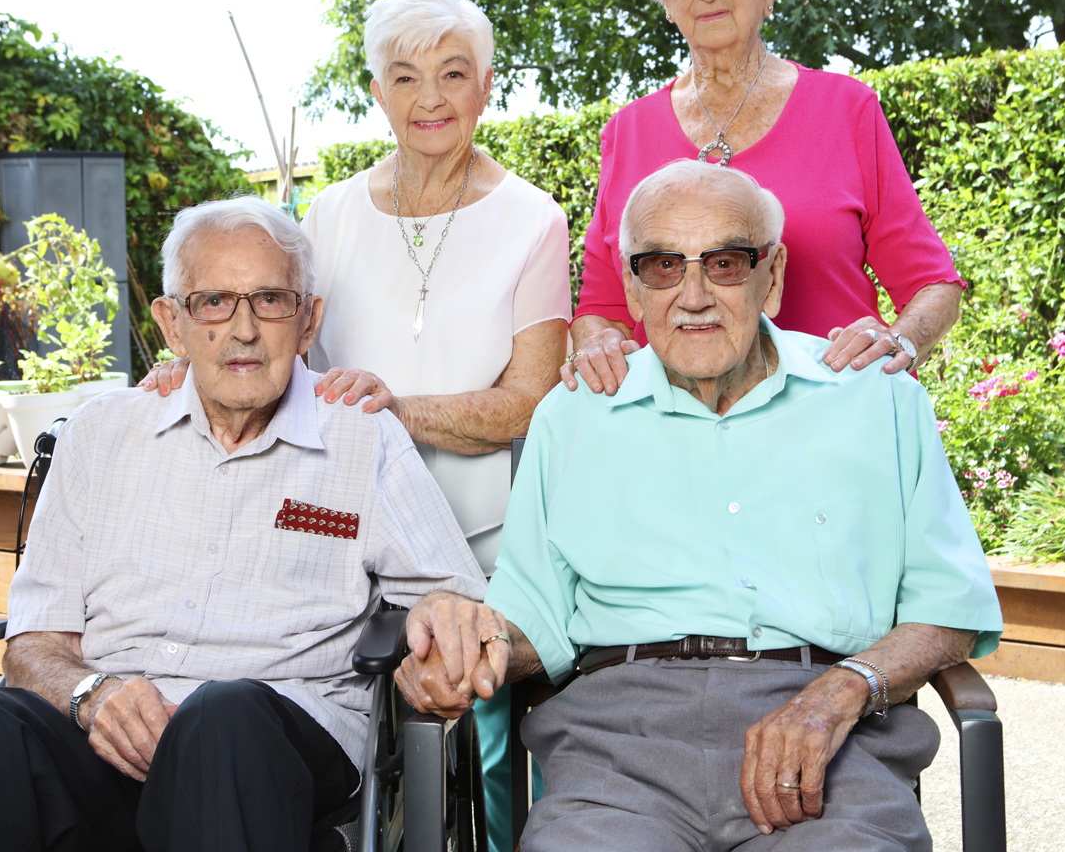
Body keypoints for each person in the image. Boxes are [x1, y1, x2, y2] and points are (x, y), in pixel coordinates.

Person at [395, 160, 1003, 851]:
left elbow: (949, 609)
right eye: (662, 267)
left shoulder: (877, 397)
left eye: (724, 263)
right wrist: (470, 645)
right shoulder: (575, 413)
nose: (693, 297)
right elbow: (533, 613)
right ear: (631, 287)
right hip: (617, 754)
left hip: (826, 741)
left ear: (772, 275)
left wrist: (844, 690)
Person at [0, 196, 487, 852]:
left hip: (268, 741)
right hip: (103, 739)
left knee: (222, 715)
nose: (244, 329)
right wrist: (91, 693)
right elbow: (32, 645)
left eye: (270, 300)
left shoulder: (361, 436)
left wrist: (443, 631)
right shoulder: (99, 433)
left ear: (308, 321)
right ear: (173, 323)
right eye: (214, 302)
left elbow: (452, 597)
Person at [141, 0, 571, 852]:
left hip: (479, 532)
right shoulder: (331, 212)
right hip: (331, 519)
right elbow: (275, 346)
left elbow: (532, 398)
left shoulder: (532, 218)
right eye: (405, 77)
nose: (430, 98)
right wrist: (195, 368)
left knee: (476, 729)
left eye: (453, 73)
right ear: (378, 92)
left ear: (486, 85)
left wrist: (397, 410)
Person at [565, 0, 964, 401]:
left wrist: (899, 341)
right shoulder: (627, 132)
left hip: (832, 411)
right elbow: (603, 309)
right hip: (676, 430)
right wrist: (597, 344)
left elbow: (933, 284)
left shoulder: (845, 109)